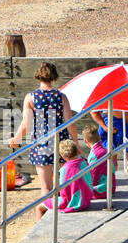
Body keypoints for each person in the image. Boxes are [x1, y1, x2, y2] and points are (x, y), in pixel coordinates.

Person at [9, 62, 79, 197]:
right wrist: (75, 142)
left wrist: (16, 139)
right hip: (61, 143)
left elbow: (25, 124)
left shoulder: (31, 97)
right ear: (54, 77)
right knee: (62, 184)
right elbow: (70, 123)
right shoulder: (62, 97)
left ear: (39, 76)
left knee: (46, 187)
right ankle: (62, 210)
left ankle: (48, 213)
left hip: (41, 143)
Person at [36, 139, 94, 218]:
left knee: (39, 207)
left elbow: (63, 192)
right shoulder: (85, 164)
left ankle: (40, 229)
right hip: (86, 200)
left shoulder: (63, 170)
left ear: (63, 156)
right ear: (77, 151)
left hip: (71, 203)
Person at [83, 125, 115, 197]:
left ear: (85, 141)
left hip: (98, 191)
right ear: (99, 137)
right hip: (111, 188)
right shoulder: (106, 150)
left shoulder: (93, 155)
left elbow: (92, 176)